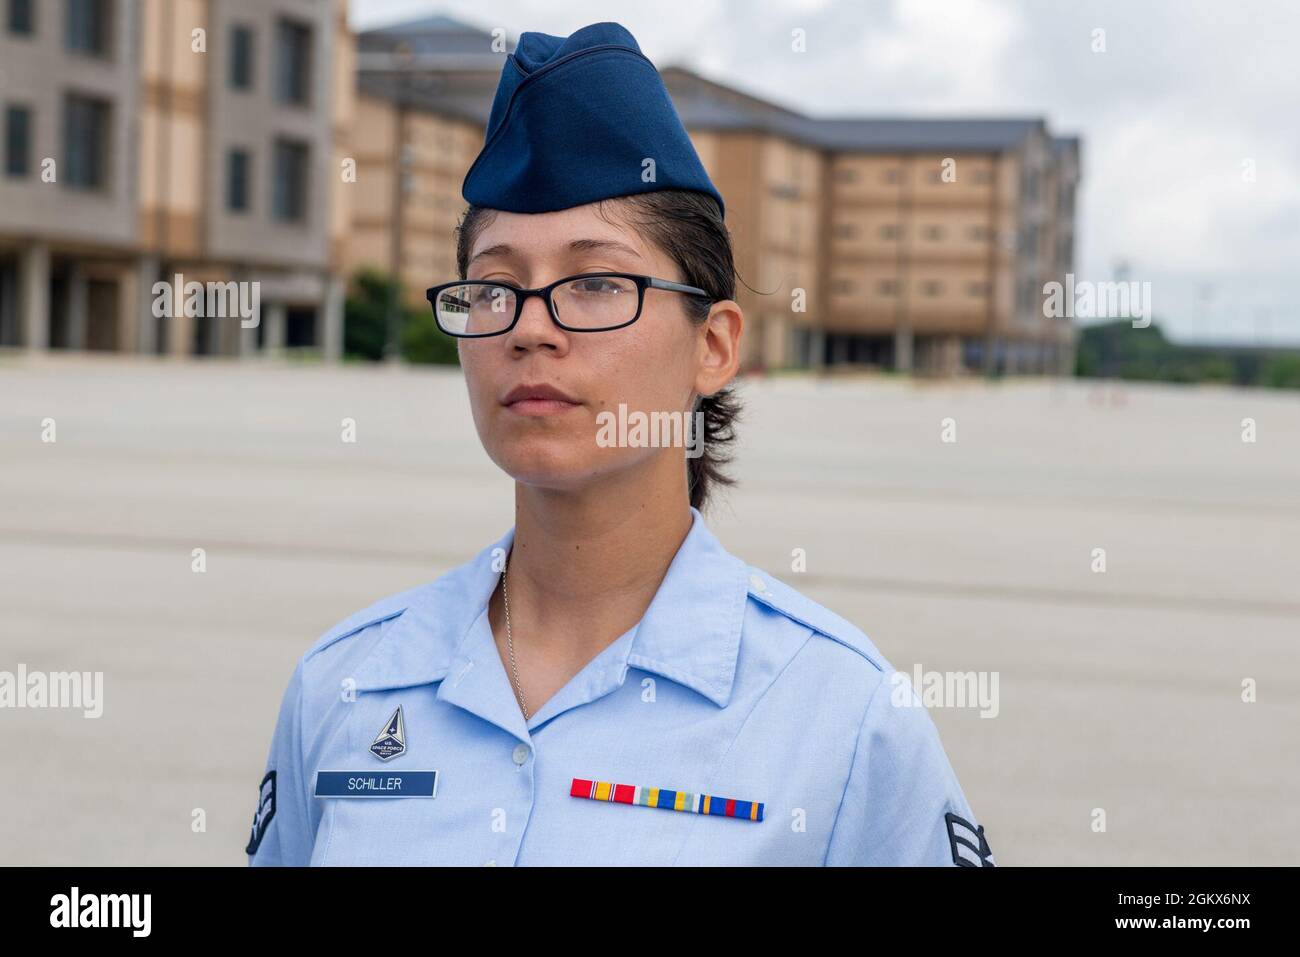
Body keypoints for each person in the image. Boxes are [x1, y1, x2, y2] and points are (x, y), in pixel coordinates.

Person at [246, 20, 993, 867]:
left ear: (713, 345)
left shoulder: (840, 719)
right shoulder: (347, 686)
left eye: (597, 282)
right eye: (495, 287)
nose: (530, 328)